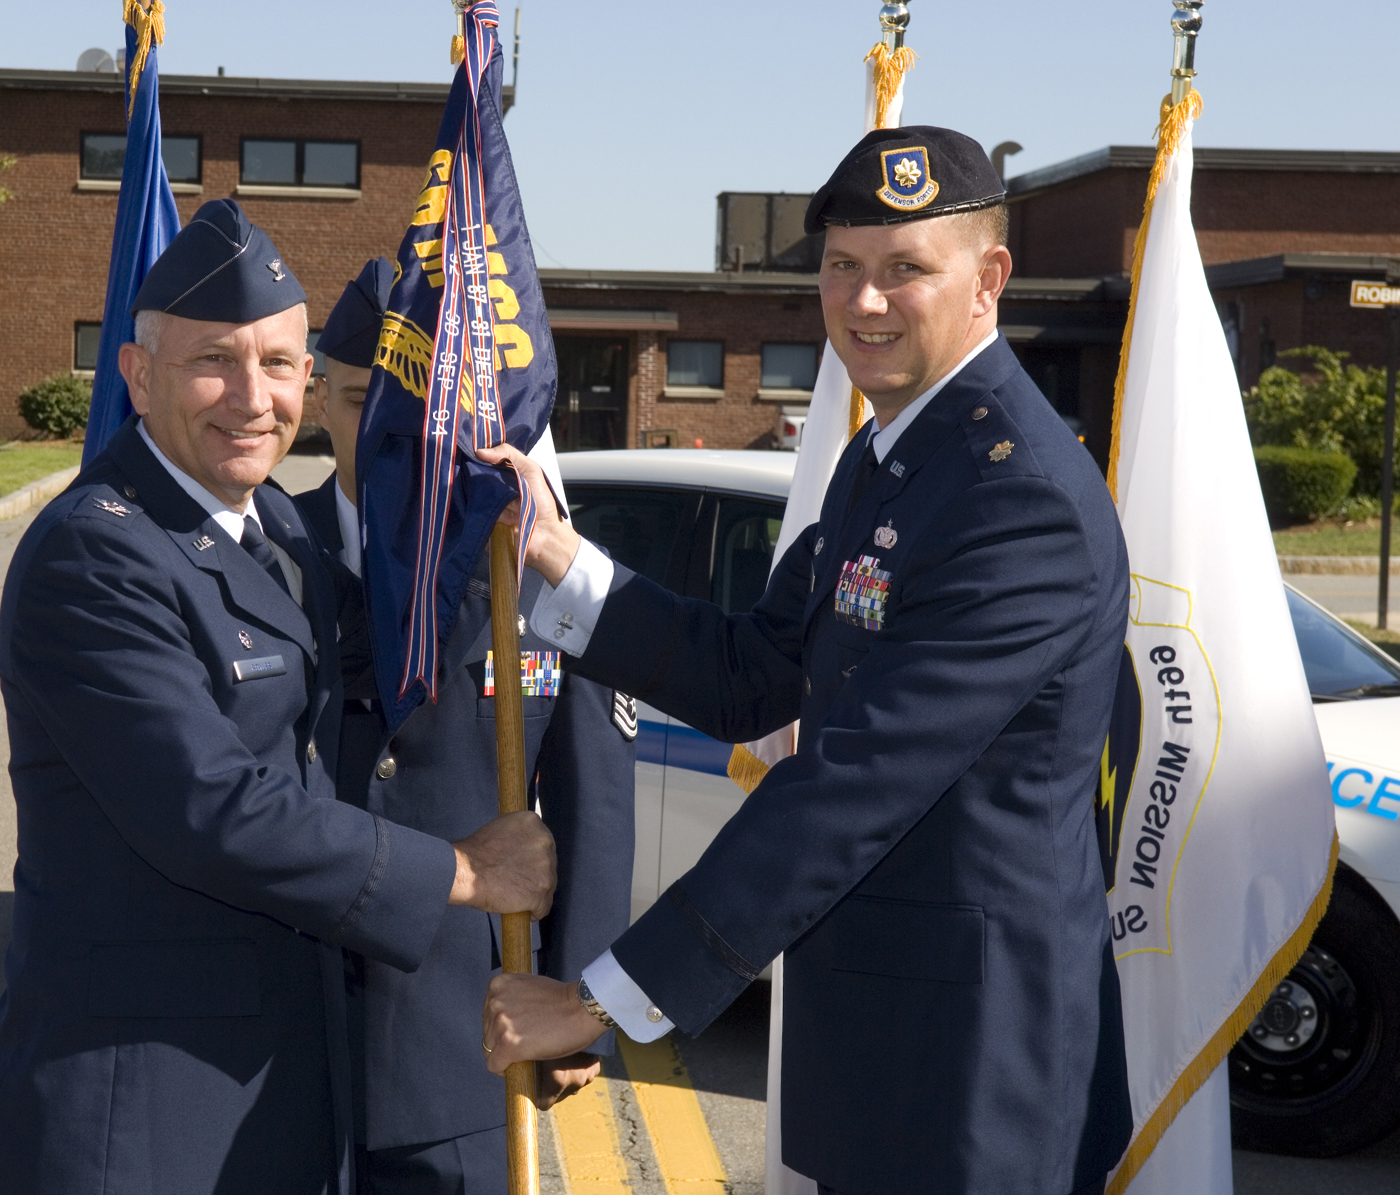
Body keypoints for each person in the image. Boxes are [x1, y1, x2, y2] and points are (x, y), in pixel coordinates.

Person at [477, 128, 1133, 1195]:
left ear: (989, 278)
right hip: (878, 1029)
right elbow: (750, 672)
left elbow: (853, 784)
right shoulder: (891, 461)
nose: (864, 303)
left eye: (905, 270)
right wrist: (559, 555)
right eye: (841, 268)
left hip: (971, 1058)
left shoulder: (1017, 500)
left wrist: (602, 999)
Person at [0, 200, 558, 1195]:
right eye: (215, 362)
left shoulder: (273, 527)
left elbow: (381, 683)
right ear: (138, 375)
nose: (252, 397)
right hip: (138, 1119)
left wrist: (495, 543)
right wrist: (461, 871)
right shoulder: (97, 554)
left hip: (271, 1104)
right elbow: (215, 809)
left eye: (279, 365)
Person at [295, 259, 638, 1195]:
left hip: (459, 1045)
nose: (388, 429)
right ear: (320, 397)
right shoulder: (265, 552)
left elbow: (590, 786)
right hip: (285, 1037)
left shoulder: (522, 568)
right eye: (364, 398)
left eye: (411, 401)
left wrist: (581, 995)